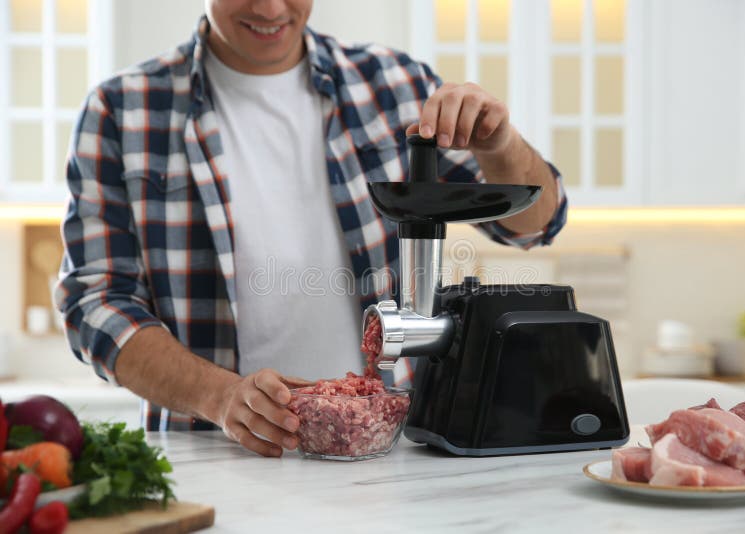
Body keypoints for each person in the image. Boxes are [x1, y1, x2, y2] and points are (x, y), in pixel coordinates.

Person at [55, 0, 567, 457]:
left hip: (393, 451)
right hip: (215, 453)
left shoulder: (394, 84)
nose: (272, 8)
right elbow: (95, 301)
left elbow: (531, 225)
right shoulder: (123, 109)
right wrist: (220, 396)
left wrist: (500, 148)